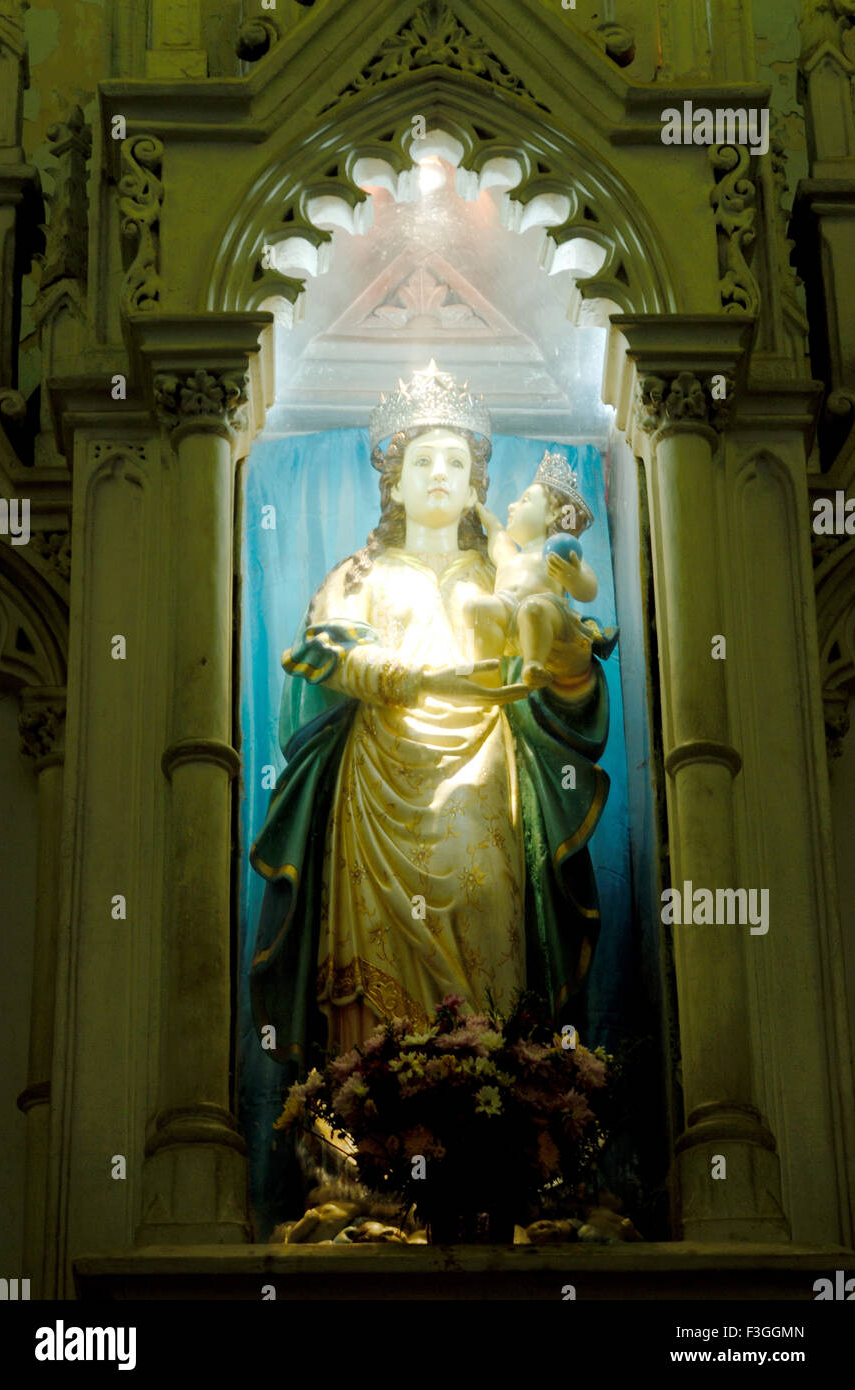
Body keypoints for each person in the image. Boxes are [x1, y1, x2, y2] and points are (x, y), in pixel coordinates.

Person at [250, 363, 618, 1084]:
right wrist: (418, 678)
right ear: (393, 480)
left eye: (456, 461)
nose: (441, 473)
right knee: (379, 954)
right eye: (423, 460)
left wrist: (570, 662)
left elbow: (562, 680)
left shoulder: (510, 572)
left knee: (488, 914)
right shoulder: (360, 574)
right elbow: (320, 652)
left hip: (485, 781)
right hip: (378, 787)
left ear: (480, 483)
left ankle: (499, 1103)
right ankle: (365, 1138)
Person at [469, 453, 618, 688]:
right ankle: (487, 670)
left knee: (533, 609)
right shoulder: (511, 557)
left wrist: (573, 575)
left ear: (552, 514)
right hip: (507, 612)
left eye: (525, 500)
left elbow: (588, 590)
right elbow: (497, 533)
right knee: (479, 607)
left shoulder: (557, 552)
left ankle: (533, 664)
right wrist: (479, 511)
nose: (512, 505)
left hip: (547, 613)